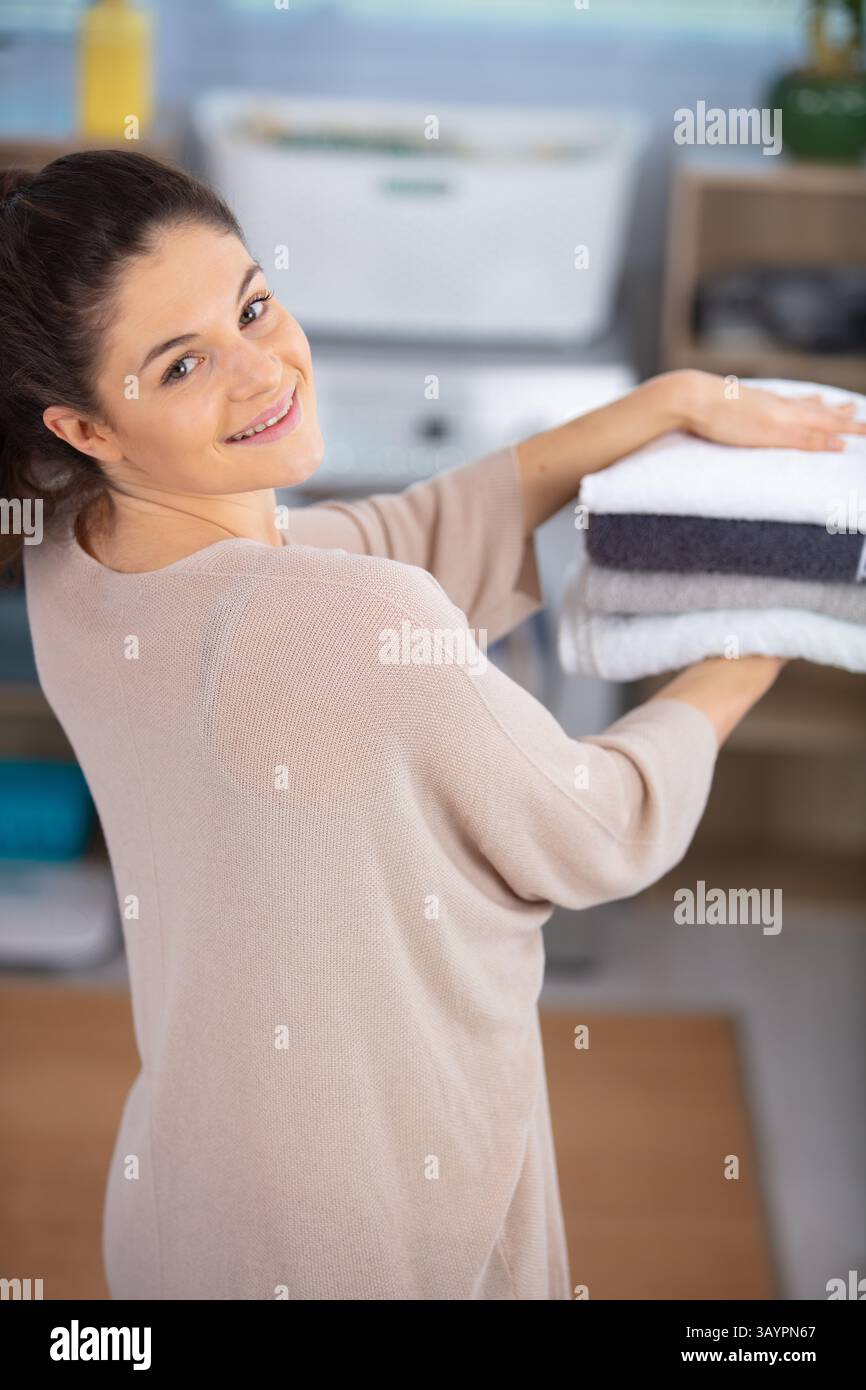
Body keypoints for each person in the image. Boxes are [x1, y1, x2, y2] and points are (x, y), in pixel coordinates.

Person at [2, 151, 861, 1300]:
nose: (266, 372)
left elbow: (395, 543)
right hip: (374, 1229)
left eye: (253, 306)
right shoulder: (340, 623)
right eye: (184, 362)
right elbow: (596, 823)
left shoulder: (76, 561)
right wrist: (768, 618)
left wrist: (670, 402)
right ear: (89, 425)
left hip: (188, 1201)